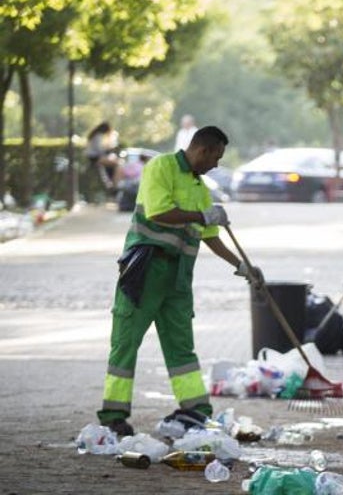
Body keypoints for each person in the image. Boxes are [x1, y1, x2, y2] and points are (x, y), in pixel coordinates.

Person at [96, 126, 264, 437]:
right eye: (216, 157)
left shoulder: (200, 188)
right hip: (145, 272)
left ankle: (196, 410)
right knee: (125, 344)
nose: (216, 164)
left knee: (181, 348)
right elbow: (159, 212)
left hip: (178, 279)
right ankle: (113, 415)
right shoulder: (161, 167)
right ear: (202, 150)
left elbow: (211, 237)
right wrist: (202, 216)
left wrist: (242, 266)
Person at [85, 122, 121, 190]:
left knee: (114, 162)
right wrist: (108, 150)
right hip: (95, 158)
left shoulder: (96, 135)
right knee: (117, 164)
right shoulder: (98, 136)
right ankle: (115, 185)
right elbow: (99, 150)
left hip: (95, 157)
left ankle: (112, 183)